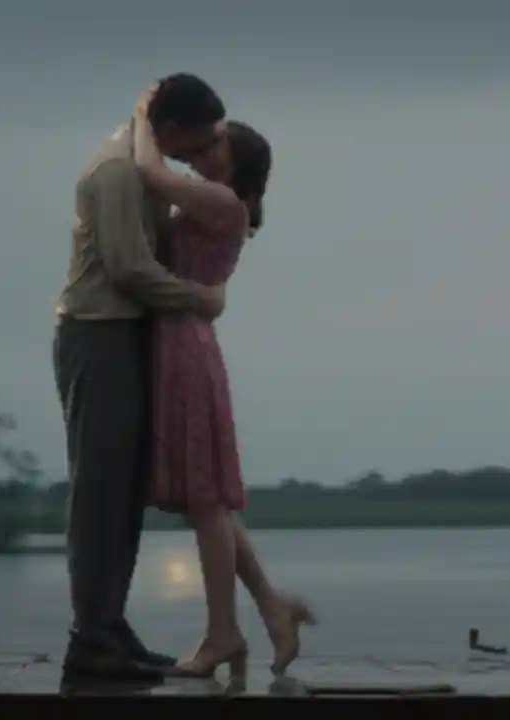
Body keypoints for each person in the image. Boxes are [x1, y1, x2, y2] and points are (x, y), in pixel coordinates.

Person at [131, 85, 316, 683]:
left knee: (205, 503)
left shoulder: (221, 202)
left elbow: (148, 171)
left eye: (216, 146)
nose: (204, 151)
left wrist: (143, 117)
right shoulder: (212, 202)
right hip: (181, 343)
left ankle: (222, 632)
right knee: (205, 501)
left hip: (185, 349)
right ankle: (269, 606)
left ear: (235, 167)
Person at [53, 73, 230, 684]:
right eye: (197, 142)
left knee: (125, 491)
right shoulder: (118, 171)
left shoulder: (141, 162)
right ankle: (90, 637)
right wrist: (199, 299)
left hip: (124, 334)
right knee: (100, 489)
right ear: (172, 130)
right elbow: (129, 267)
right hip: (98, 333)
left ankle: (108, 625)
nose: (199, 155)